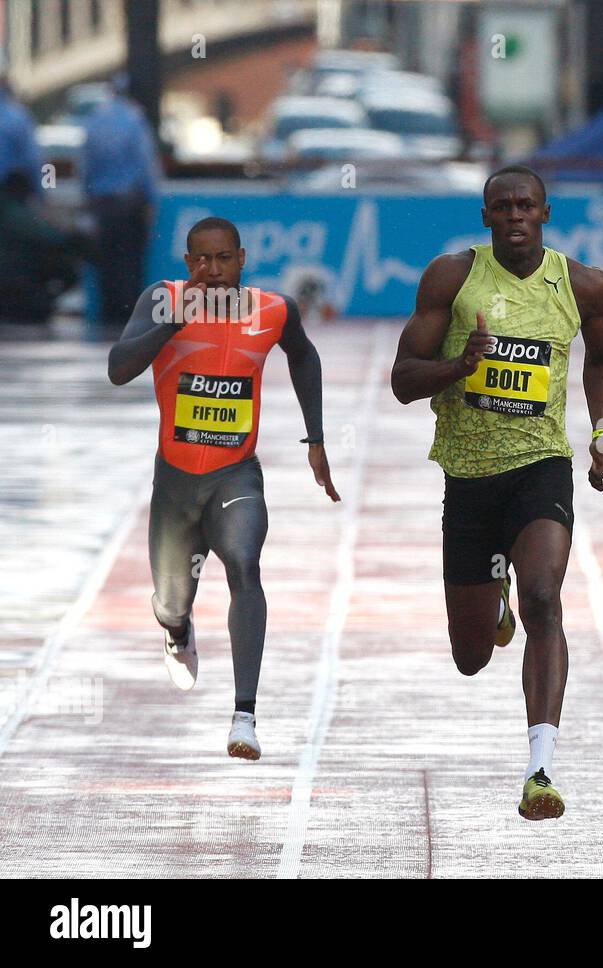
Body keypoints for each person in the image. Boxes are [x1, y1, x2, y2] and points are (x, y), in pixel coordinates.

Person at [390, 165, 603, 820]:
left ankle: (540, 765)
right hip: (467, 476)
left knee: (546, 598)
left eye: (527, 205)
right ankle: (495, 594)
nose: (516, 215)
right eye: (503, 207)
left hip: (541, 466)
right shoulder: (452, 279)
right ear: (487, 216)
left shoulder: (582, 285)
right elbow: (404, 380)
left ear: (545, 212)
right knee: (469, 658)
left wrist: (602, 431)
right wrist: (459, 367)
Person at [108, 216, 339, 759]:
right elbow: (119, 369)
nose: (211, 271)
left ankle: (244, 717)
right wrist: (174, 323)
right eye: (201, 260)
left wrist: (316, 438)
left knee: (243, 564)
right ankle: (176, 628)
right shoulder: (162, 300)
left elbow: (303, 355)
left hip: (236, 475)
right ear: (188, 264)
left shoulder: (275, 310)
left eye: (222, 259)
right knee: (171, 601)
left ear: (242, 259)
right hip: (175, 484)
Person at [83, 76, 162, 333]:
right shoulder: (134, 120)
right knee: (130, 263)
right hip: (129, 204)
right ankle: (129, 319)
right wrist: (152, 201)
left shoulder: (95, 120)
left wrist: (88, 200)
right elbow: (145, 165)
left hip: (102, 205)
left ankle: (107, 317)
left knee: (106, 264)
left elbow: (86, 167)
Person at [0, 171, 90, 327]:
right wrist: (70, 236)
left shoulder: (12, 207)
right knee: (64, 266)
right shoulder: (13, 209)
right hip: (15, 276)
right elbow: (44, 234)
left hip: (14, 274)